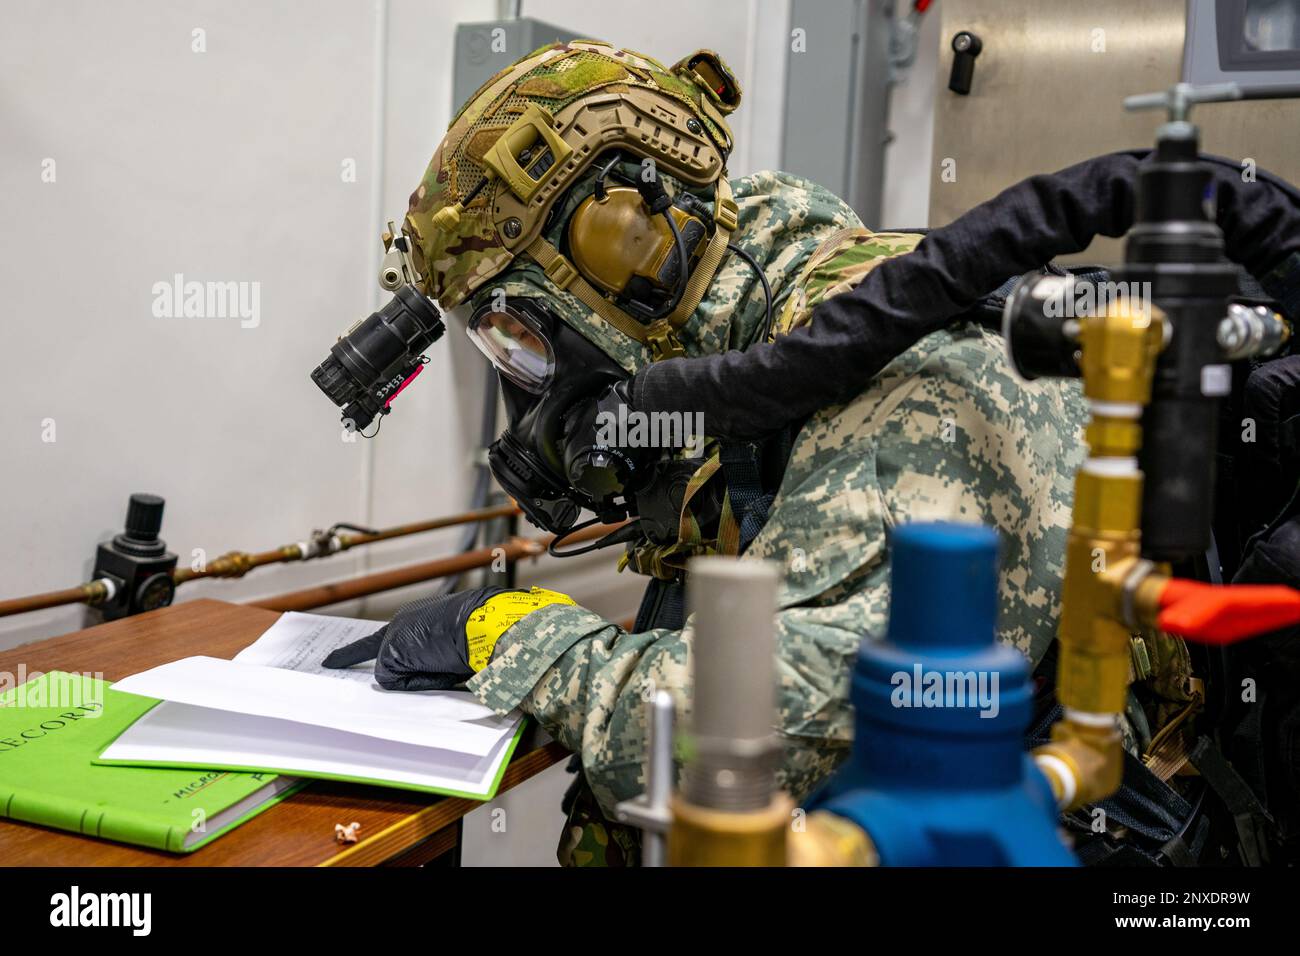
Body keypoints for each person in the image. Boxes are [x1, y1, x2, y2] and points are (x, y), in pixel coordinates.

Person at [324, 40, 1086, 865]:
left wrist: (510, 633)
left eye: (523, 342)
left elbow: (746, 749)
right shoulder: (743, 361)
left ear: (623, 247)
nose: (533, 395)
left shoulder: (915, 374)